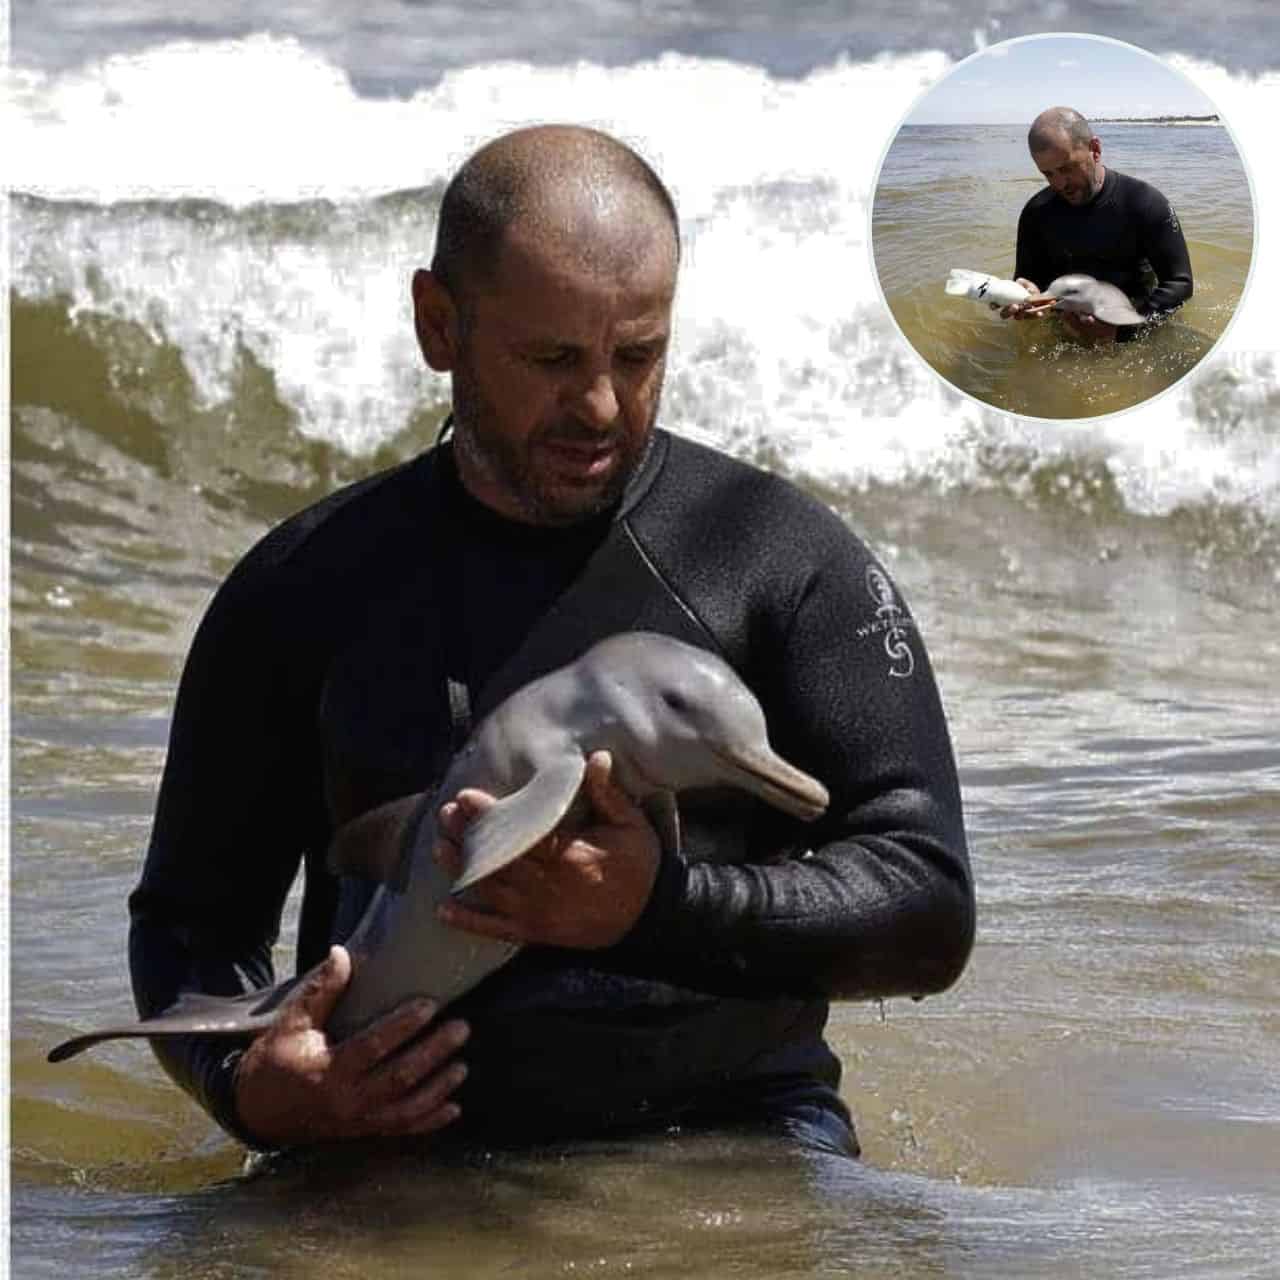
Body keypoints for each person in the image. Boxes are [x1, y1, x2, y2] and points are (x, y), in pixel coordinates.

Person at [128, 125, 974, 1157]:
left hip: (732, 1143)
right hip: (384, 1164)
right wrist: (252, 1090)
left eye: (638, 354)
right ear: (439, 324)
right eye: (551, 358)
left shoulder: (776, 560)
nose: (600, 404)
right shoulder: (302, 587)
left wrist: (656, 906)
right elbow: (190, 924)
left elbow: (924, 907)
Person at [1000, 106, 1193, 342]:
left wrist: (1121, 331)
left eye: (1067, 168)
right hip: (1065, 330)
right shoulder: (1036, 213)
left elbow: (1179, 283)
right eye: (1048, 174)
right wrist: (1026, 298)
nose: (1060, 184)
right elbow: (1028, 280)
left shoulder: (1144, 203)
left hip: (1136, 327)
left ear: (1095, 149)